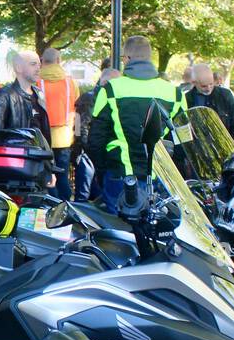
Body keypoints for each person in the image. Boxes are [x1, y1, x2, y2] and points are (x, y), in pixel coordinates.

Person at [86, 35, 186, 214]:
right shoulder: (175, 93)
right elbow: (183, 140)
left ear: (127, 59)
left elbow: (96, 138)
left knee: (119, 236)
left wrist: (103, 169)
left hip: (120, 173)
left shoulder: (110, 89)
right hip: (159, 176)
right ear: (149, 58)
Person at [38, 47, 79, 200]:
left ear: (42, 61)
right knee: (62, 175)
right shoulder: (70, 82)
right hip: (64, 137)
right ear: (59, 61)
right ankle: (65, 205)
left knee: (45, 175)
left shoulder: (36, 81)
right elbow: (78, 108)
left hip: (42, 138)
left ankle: (49, 204)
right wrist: (78, 135)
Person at [0, 49, 51, 141]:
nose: (38, 68)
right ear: (18, 67)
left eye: (39, 64)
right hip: (14, 154)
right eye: (33, 64)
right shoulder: (1, 96)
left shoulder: (39, 94)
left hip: (40, 154)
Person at [73, 67, 119, 200]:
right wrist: (87, 149)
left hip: (92, 151)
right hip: (89, 152)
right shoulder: (92, 98)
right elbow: (80, 126)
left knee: (92, 193)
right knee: (85, 194)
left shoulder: (92, 97)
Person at [185, 62, 234, 143]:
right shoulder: (186, 99)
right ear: (194, 82)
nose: (208, 88)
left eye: (211, 84)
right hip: (199, 147)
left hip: (225, 145)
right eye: (204, 86)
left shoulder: (225, 95)